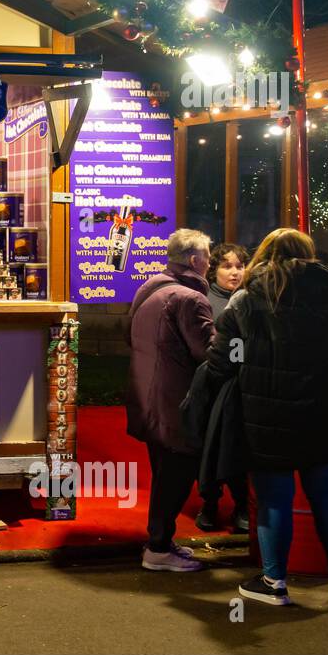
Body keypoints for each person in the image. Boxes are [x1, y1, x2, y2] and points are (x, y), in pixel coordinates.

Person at [202, 229, 328, 606]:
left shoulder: (244, 299)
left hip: (265, 416)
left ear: (264, 254)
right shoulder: (325, 291)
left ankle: (274, 583)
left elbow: (220, 362)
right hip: (322, 411)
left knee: (273, 501)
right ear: (307, 255)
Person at [126, 228, 215, 573]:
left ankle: (160, 540)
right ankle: (159, 548)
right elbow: (206, 351)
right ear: (195, 260)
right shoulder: (190, 299)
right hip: (176, 402)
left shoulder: (149, 288)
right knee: (177, 473)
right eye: (208, 256)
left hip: (147, 396)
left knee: (164, 471)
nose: (210, 263)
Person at [197, 242, 251, 532]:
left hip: (244, 387)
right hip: (214, 384)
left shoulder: (252, 300)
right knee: (211, 447)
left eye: (240, 266)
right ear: (213, 270)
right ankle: (210, 502)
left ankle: (242, 503)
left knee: (239, 448)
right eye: (226, 266)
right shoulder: (204, 300)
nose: (234, 272)